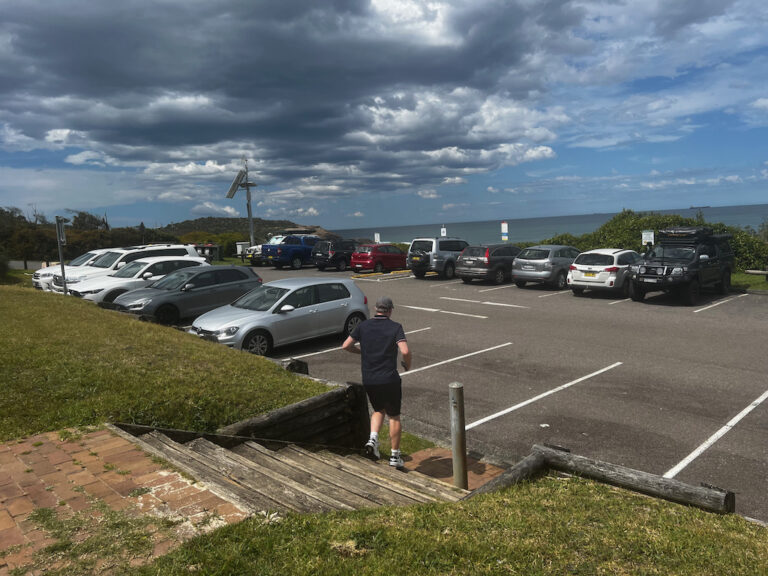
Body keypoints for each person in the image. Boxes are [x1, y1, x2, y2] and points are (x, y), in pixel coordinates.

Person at [342, 296, 412, 469]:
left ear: (376, 309)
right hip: (389, 379)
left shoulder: (363, 326)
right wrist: (407, 365)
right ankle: (395, 456)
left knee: (378, 410)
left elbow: (345, 346)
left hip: (369, 378)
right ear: (390, 310)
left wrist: (362, 352)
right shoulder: (395, 327)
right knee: (394, 416)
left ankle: (373, 439)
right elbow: (405, 350)